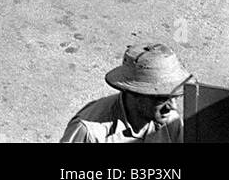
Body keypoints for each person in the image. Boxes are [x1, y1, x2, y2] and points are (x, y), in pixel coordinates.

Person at [61, 43, 190, 143]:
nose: (172, 107)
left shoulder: (171, 120)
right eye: (161, 99)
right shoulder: (89, 131)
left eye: (174, 97)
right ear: (135, 94)